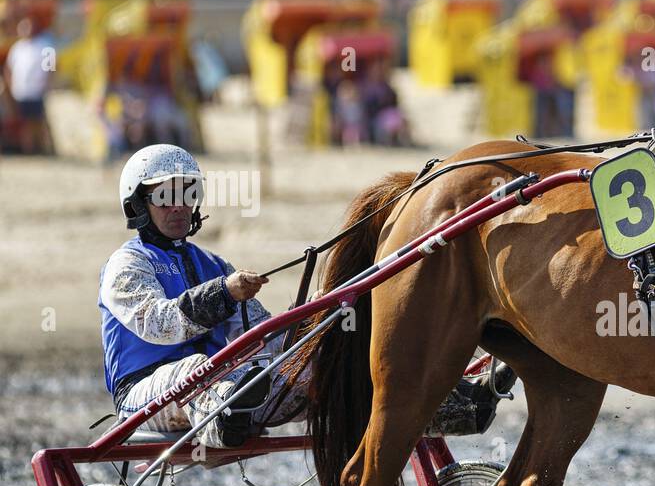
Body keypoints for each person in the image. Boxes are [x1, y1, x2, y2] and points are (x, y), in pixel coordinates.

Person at [100, 145, 511, 449]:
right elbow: (160, 325)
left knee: (326, 362)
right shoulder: (126, 265)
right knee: (195, 367)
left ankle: (449, 405)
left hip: (226, 386)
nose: (178, 207)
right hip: (149, 396)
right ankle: (228, 410)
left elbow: (262, 336)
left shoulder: (212, 262)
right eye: (164, 196)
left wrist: (315, 315)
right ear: (139, 203)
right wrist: (224, 293)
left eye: (187, 194)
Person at [3, 17, 54, 154]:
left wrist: (47, 84)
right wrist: (12, 85)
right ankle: (29, 151)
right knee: (25, 123)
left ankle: (43, 149)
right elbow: (9, 69)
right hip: (21, 91)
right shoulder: (17, 48)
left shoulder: (44, 45)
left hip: (37, 90)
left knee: (39, 122)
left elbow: (50, 67)